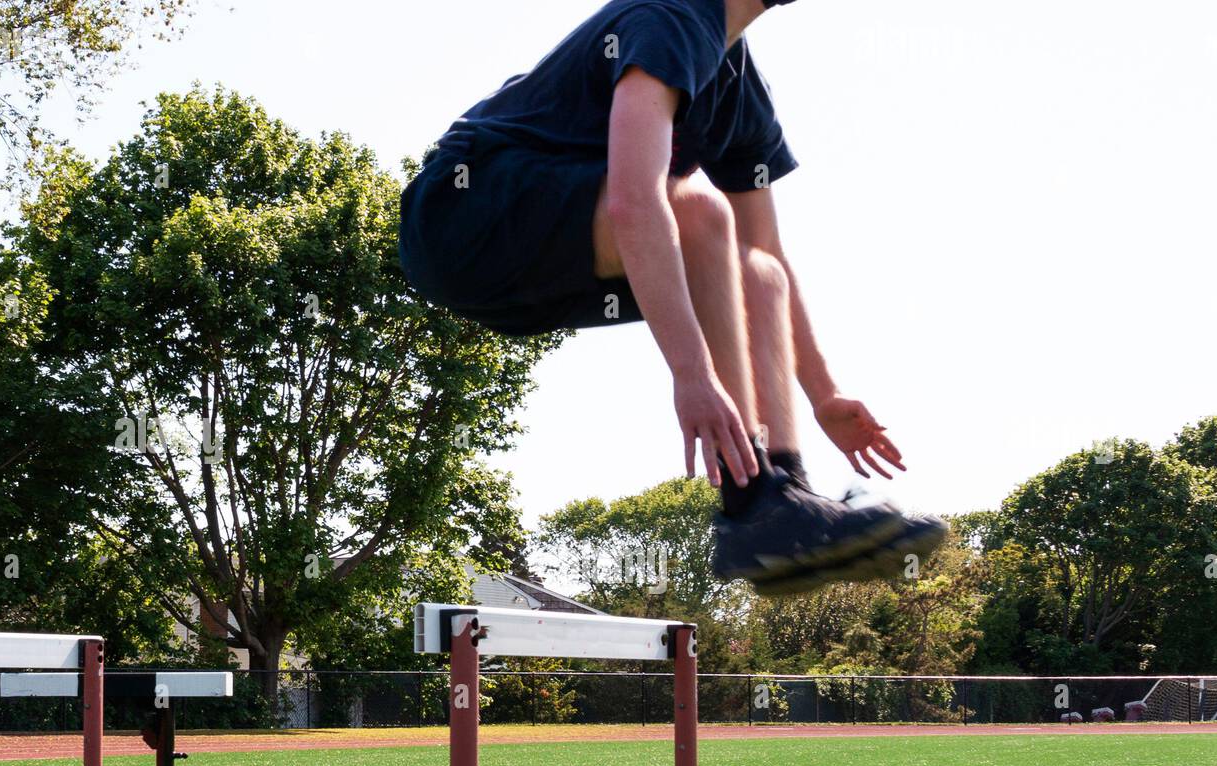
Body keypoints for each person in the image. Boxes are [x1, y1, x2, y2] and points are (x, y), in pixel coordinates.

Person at [400, 0, 947, 595]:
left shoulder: (739, 82)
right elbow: (636, 203)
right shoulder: (672, 17)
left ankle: (776, 495)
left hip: (521, 271)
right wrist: (692, 373)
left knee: (754, 271)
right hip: (460, 215)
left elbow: (766, 255)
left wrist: (824, 394)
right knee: (701, 212)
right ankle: (756, 502)